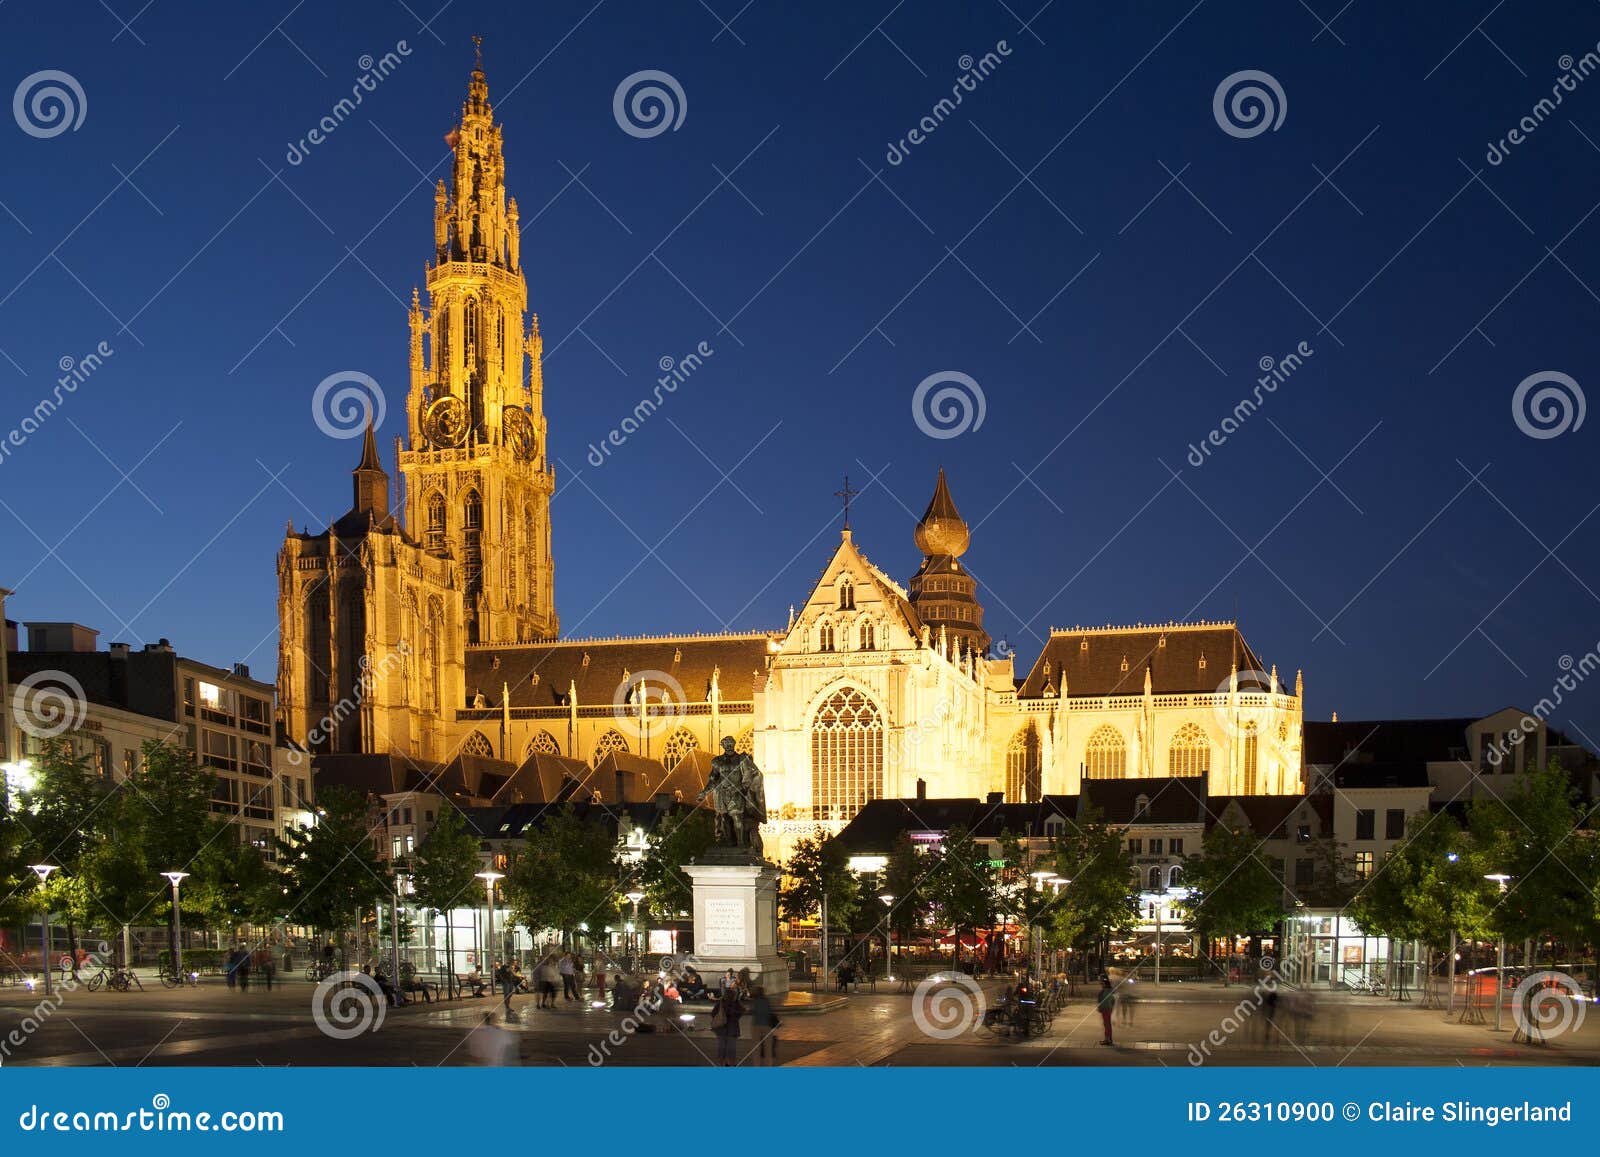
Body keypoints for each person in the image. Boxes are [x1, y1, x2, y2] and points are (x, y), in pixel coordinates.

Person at [711, 986, 745, 1066]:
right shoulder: (736, 1004)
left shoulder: (720, 1003)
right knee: (731, 1050)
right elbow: (742, 1011)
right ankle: (730, 1064)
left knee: (721, 1049)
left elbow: (713, 1013)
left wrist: (720, 1017)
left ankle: (721, 1064)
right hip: (732, 1030)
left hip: (721, 1029)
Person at [747, 985, 780, 1065]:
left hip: (756, 1025)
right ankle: (768, 1065)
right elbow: (771, 1011)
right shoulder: (767, 1001)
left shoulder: (754, 1001)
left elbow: (751, 1011)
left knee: (756, 1048)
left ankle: (757, 1065)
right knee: (768, 1048)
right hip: (767, 1025)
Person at [1096, 977, 1116, 1045]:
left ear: (1105, 984)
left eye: (1102, 983)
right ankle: (1109, 1038)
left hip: (1105, 1009)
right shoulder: (1110, 991)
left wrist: (1100, 1008)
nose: (1101, 984)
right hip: (1108, 1008)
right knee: (1107, 1024)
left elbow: (1101, 1001)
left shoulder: (1104, 992)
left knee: (1107, 1024)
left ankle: (1107, 1039)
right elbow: (1113, 1000)